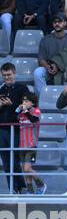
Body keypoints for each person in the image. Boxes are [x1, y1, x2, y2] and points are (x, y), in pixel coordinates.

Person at [0, 63, 31, 193]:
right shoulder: (0, 90)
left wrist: (12, 105)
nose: (7, 77)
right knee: (6, 161)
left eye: (9, 75)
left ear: (14, 73)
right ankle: (14, 189)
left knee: (15, 159)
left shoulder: (22, 89)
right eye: (4, 75)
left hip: (18, 129)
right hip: (2, 129)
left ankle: (23, 187)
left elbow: (27, 107)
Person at [35, 15, 67, 98]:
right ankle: (42, 99)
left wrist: (57, 66)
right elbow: (41, 58)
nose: (57, 24)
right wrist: (48, 67)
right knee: (38, 72)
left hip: (66, 68)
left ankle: (65, 100)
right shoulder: (45, 39)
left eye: (60, 22)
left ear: (65, 23)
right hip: (49, 68)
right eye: (55, 22)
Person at [14, 92, 41, 194]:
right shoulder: (22, 112)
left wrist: (25, 111)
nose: (24, 103)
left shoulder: (36, 111)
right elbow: (14, 119)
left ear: (32, 103)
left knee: (27, 168)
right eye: (23, 101)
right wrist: (18, 110)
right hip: (21, 144)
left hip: (31, 144)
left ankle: (41, 184)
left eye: (26, 101)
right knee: (25, 170)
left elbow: (34, 120)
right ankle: (30, 191)